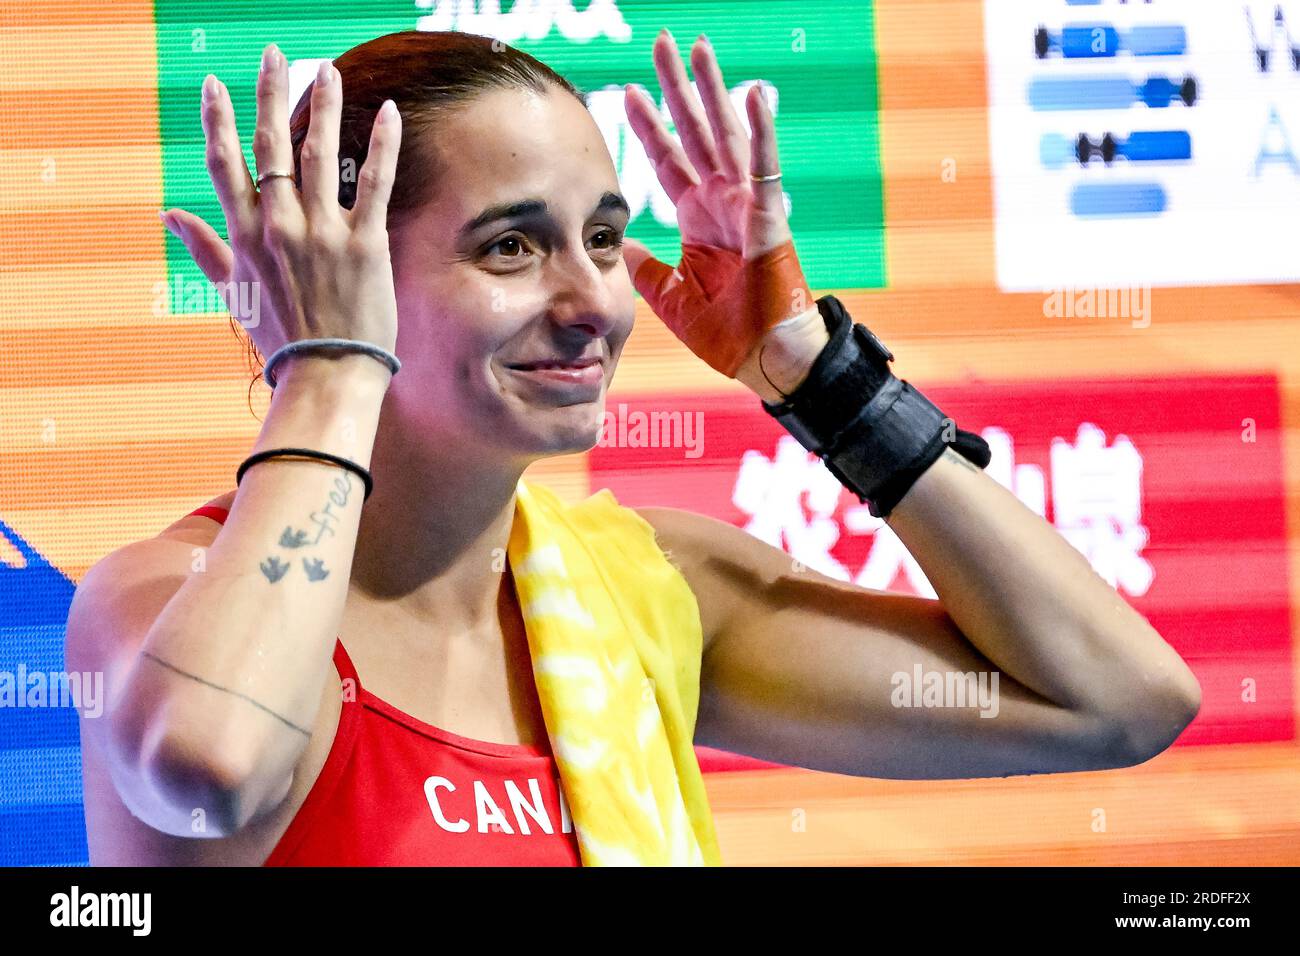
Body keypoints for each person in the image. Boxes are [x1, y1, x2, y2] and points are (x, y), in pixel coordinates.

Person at [66, 29, 1201, 866]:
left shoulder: (651, 592)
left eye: (604, 237)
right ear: (343, 265)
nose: (591, 300)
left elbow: (1118, 700)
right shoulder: (160, 598)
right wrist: (323, 369)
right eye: (510, 246)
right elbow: (211, 768)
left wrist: (824, 380)